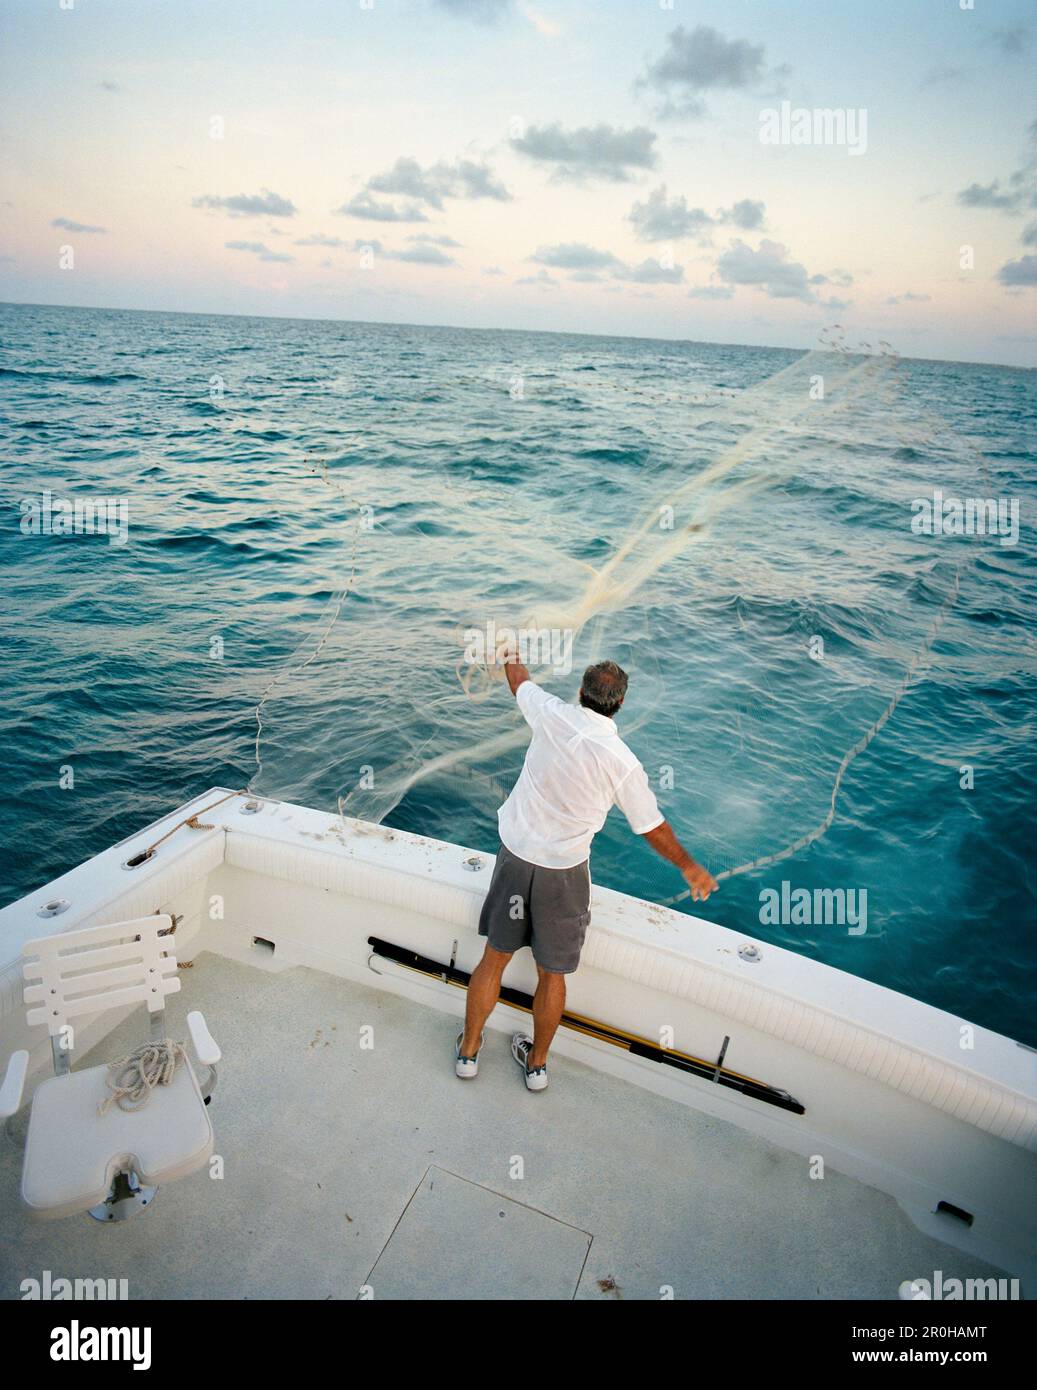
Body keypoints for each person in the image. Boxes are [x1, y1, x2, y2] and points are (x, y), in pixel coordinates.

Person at [455, 652, 718, 1092]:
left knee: (494, 957)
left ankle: (469, 1052)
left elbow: (519, 681)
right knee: (552, 975)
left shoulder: (550, 713)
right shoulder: (621, 761)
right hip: (564, 874)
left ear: (581, 692)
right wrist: (689, 866)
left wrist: (511, 655)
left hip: (516, 858)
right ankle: (536, 1065)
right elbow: (650, 826)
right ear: (619, 704)